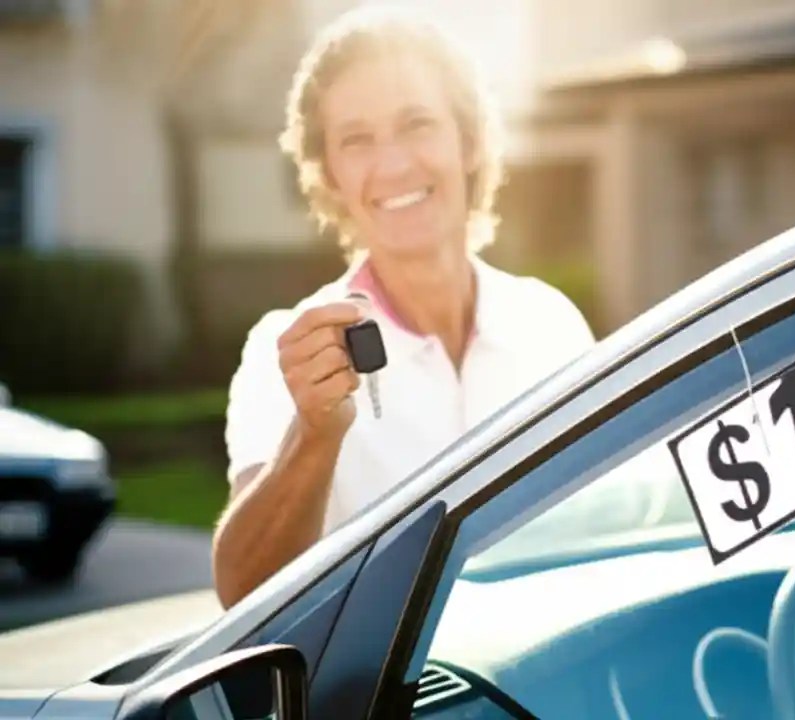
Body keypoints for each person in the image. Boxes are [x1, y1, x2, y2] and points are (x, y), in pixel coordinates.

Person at [212, 5, 595, 609]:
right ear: (330, 174)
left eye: (417, 124)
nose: (392, 165)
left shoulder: (551, 323)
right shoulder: (286, 352)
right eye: (357, 140)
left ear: (468, 142)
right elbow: (243, 594)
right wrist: (314, 434)